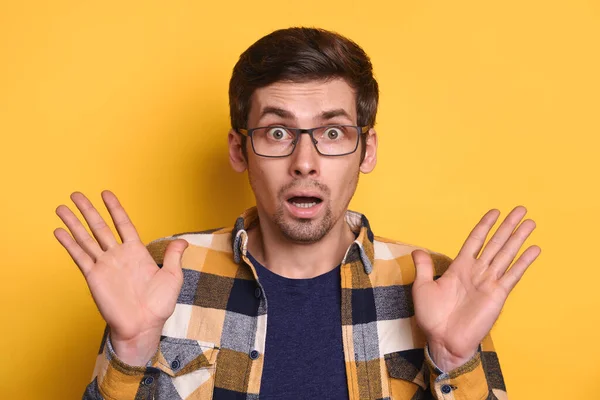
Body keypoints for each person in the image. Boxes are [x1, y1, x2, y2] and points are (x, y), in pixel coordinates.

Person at [54, 27, 540, 399]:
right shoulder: (160, 273)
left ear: (366, 150)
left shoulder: (439, 284)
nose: (304, 162)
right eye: (277, 132)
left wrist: (454, 361)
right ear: (240, 150)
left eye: (332, 133)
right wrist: (130, 353)